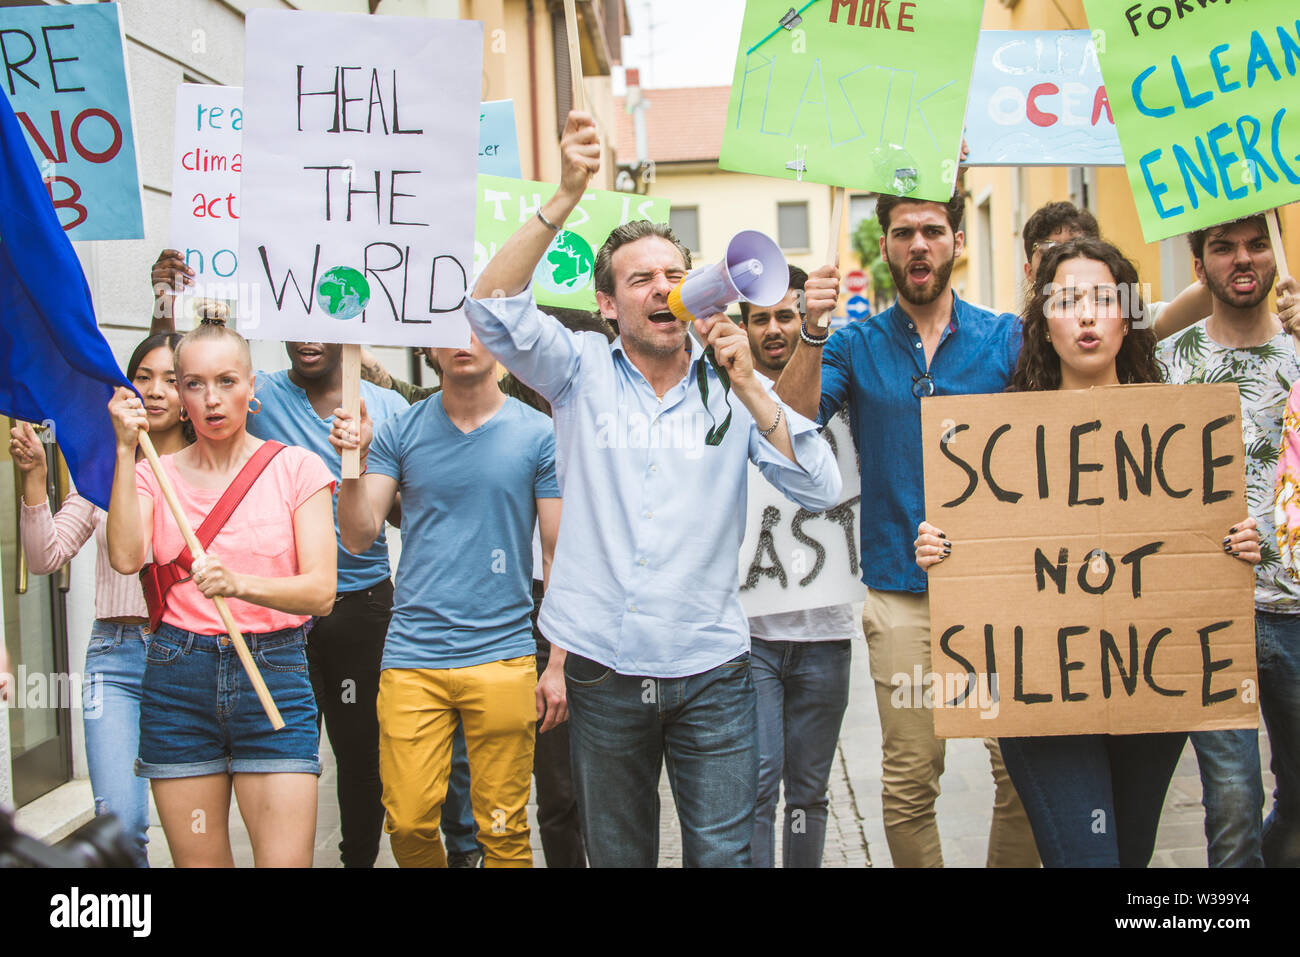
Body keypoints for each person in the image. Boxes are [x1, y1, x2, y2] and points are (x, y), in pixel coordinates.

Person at [464, 111, 841, 867]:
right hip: (603, 669)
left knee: (723, 857)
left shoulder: (735, 384)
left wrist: (752, 388)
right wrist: (565, 197)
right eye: (642, 280)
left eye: (676, 275)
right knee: (620, 854)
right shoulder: (576, 369)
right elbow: (489, 309)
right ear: (609, 305)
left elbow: (822, 485)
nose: (664, 290)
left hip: (714, 673)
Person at [916, 236, 1260, 866]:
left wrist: (1232, 544)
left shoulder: (1179, 430)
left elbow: (1197, 545)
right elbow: (985, 554)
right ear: (1043, 325)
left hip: (1150, 695)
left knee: (1128, 860)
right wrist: (944, 548)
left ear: (1127, 315)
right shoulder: (1000, 440)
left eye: (1102, 298)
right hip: (1044, 700)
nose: (1085, 314)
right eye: (1066, 299)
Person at [777, 190, 1040, 868]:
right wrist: (810, 328)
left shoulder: (1007, 338)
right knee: (910, 779)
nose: (917, 244)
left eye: (931, 230)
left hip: (999, 592)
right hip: (900, 590)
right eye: (902, 233)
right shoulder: (854, 343)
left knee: (1023, 775)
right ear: (885, 247)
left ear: (955, 240)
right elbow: (789, 424)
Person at [106, 320, 337, 867]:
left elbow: (321, 591)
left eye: (227, 381)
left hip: (274, 672)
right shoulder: (151, 474)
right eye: (194, 384)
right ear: (180, 394)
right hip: (177, 677)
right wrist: (121, 452)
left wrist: (239, 584)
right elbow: (123, 557)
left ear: (252, 386)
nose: (212, 399)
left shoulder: (296, 468)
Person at [330, 329, 561, 869]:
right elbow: (360, 535)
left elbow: (558, 557)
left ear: (501, 347)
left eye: (480, 331)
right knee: (408, 822)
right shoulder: (399, 429)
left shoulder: (539, 435)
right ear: (426, 350)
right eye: (448, 332)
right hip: (413, 657)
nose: (465, 342)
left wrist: (558, 662)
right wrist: (352, 463)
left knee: (503, 829)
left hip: (504, 654)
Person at [10, 332, 189, 867]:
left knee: (193, 830)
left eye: (172, 380)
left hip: (187, 655)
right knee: (122, 825)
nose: (155, 391)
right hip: (113, 659)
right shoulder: (102, 471)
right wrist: (36, 482)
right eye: (143, 377)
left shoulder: (208, 470)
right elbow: (46, 556)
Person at [1160, 214, 1300, 868]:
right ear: (1199, 266)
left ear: (1275, 254)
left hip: (1297, 613)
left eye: (1255, 243)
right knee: (1234, 803)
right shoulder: (1165, 364)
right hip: (1210, 616)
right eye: (1223, 247)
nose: (1242, 259)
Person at [241, 339, 408, 868]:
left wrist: (366, 465)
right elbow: (189, 393)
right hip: (279, 612)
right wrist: (167, 302)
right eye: (297, 323)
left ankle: (356, 860)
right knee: (284, 757)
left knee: (362, 757)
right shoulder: (258, 397)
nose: (308, 338)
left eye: (322, 322)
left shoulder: (388, 409)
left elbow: (411, 513)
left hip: (362, 608)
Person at [737, 265, 855, 868]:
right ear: (745, 327)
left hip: (826, 634)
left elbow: (798, 415)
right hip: (752, 636)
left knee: (808, 792)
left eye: (787, 315)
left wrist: (819, 334)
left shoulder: (839, 378)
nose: (776, 328)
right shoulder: (728, 394)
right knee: (755, 785)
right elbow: (775, 416)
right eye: (762, 318)